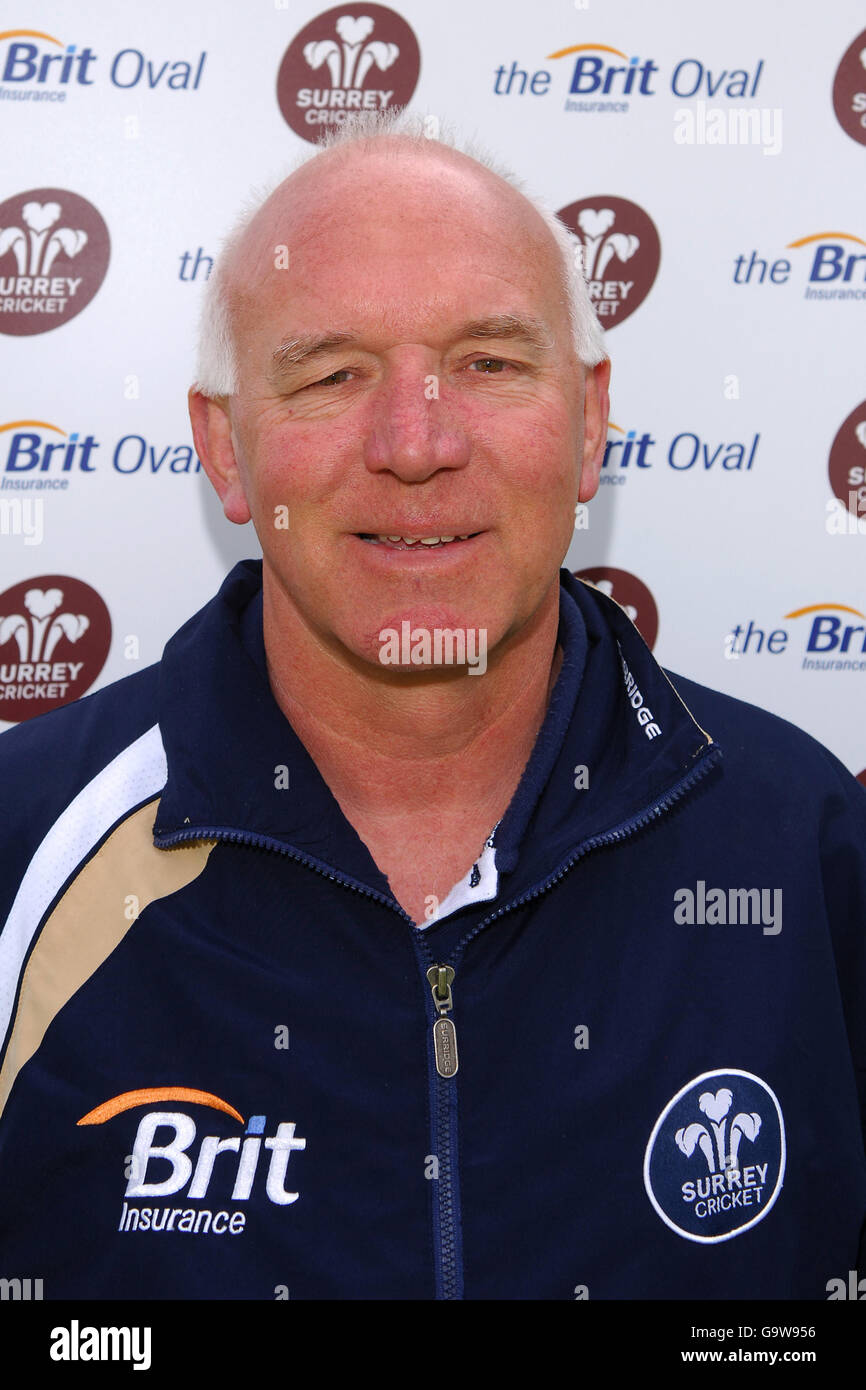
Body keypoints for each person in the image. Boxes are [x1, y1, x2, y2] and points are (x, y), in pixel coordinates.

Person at [0, 110, 864, 1301]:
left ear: (589, 421)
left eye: (489, 363)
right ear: (225, 449)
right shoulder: (22, 843)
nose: (415, 444)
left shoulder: (800, 838)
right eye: (332, 373)